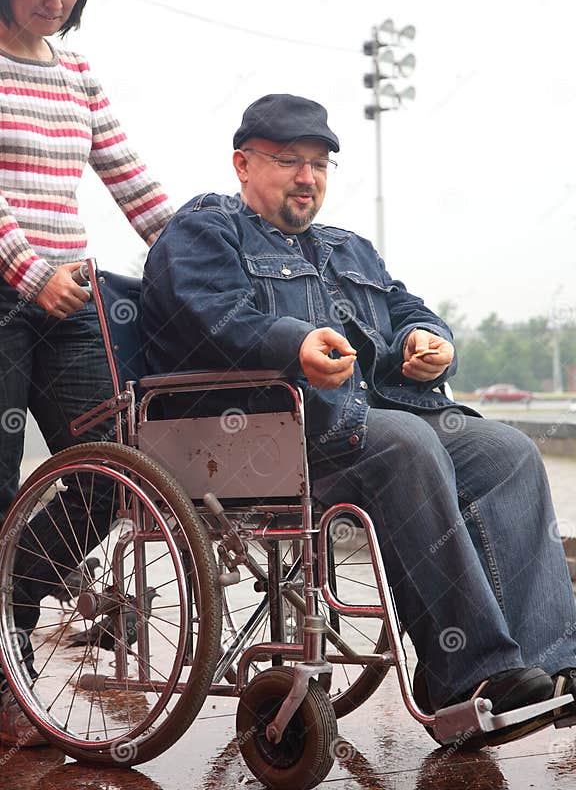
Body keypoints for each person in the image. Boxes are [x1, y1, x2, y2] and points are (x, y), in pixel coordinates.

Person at [141, 92, 576, 741]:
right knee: (404, 443)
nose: (307, 178)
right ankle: (470, 675)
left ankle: (549, 669)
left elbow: (407, 311)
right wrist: (294, 343)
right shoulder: (205, 228)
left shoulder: (348, 248)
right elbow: (210, 319)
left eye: (319, 164)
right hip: (262, 437)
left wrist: (429, 343)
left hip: (356, 425)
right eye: (289, 160)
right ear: (243, 164)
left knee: (505, 449)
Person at [0, 0, 173, 744]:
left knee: (116, 469)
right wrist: (29, 269)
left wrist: (202, 259)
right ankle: (6, 673)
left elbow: (131, 182)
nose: (56, 1)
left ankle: (14, 608)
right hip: (9, 297)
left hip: (72, 305)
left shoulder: (76, 75)